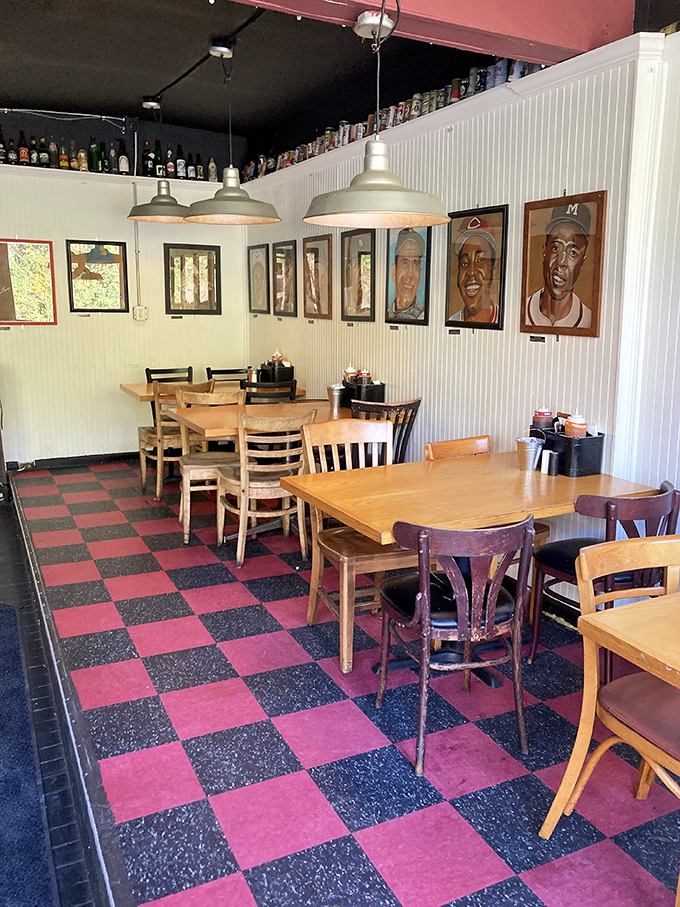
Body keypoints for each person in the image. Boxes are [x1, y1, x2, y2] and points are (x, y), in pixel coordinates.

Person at [525, 202, 592, 328]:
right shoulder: (520, 311)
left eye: (572, 252)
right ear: (544, 250)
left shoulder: (589, 321)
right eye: (556, 248)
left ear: (582, 261)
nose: (561, 262)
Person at [449, 216, 499, 323]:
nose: (471, 272)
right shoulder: (452, 321)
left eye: (480, 260)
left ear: (493, 271)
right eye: (465, 263)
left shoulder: (507, 319)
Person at [387, 228, 426, 321]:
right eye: (405, 263)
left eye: (415, 263)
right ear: (394, 271)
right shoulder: (386, 313)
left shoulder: (422, 316)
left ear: (420, 274)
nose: (410, 275)